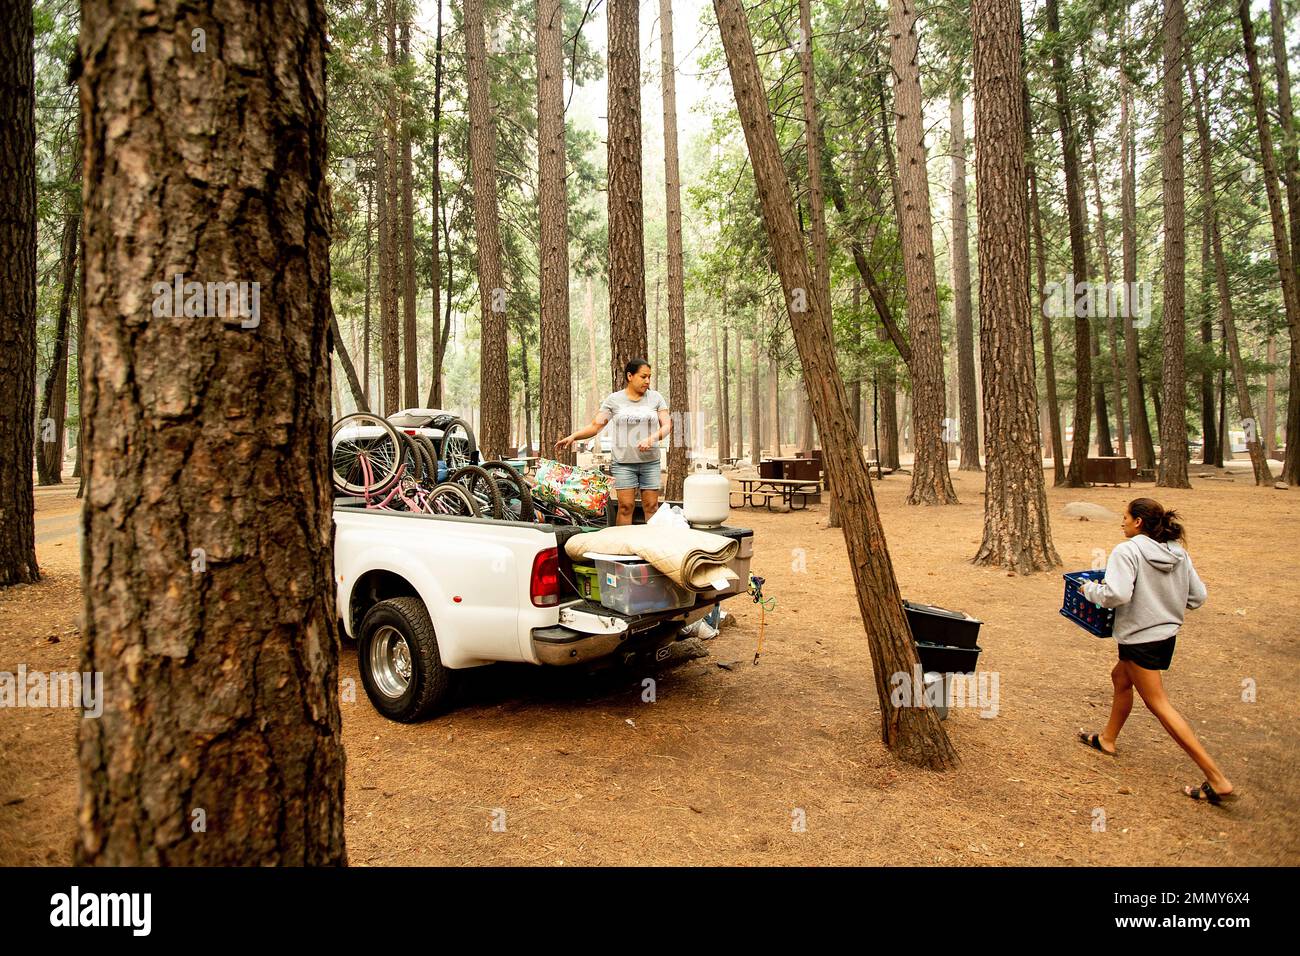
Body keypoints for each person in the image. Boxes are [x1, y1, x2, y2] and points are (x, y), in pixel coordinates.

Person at [1076, 497, 1236, 805]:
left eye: (1125, 517)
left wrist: (1089, 590)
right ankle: (1107, 740)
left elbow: (1117, 594)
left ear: (1138, 522)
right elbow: (1198, 596)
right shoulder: (1177, 551)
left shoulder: (1128, 550)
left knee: (1159, 705)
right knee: (1120, 678)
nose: (1121, 522)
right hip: (1165, 637)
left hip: (1139, 640)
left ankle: (1217, 778)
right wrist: (1167, 603)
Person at [556, 359, 672, 526]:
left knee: (651, 506)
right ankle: (622, 548)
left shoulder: (656, 398)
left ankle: (650, 547)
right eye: (643, 376)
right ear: (630, 376)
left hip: (650, 462)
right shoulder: (614, 400)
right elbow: (596, 426)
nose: (647, 381)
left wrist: (652, 438)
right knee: (625, 507)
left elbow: (667, 425)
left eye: (649, 377)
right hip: (623, 463)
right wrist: (574, 436)